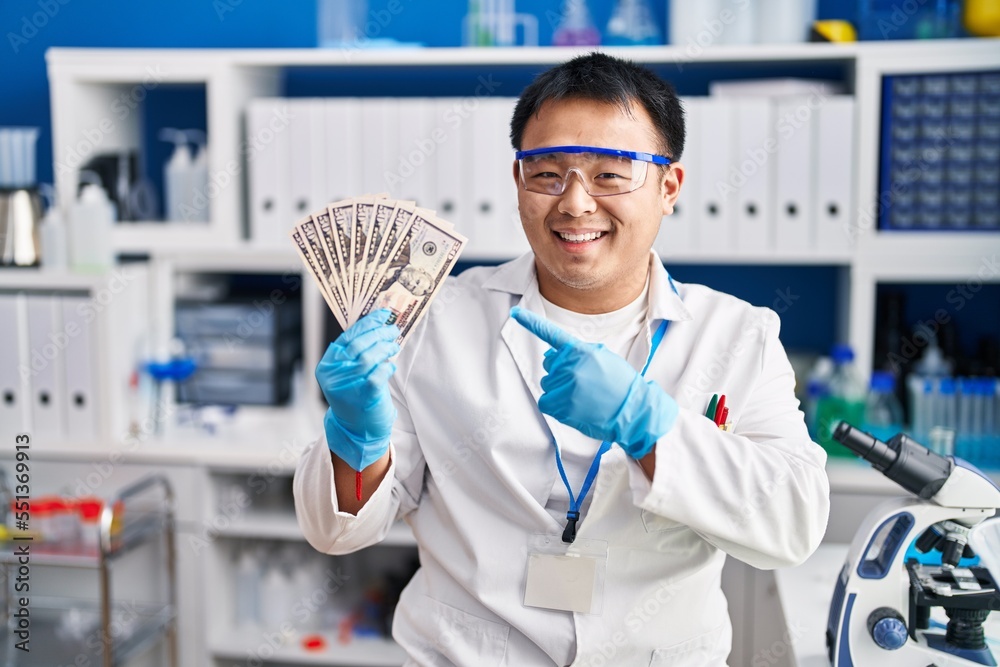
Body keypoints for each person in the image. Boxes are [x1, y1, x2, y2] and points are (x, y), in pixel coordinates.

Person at [294, 52, 830, 666]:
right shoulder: (432, 323)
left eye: (611, 174)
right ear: (519, 182)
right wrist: (355, 434)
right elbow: (337, 532)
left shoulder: (737, 336)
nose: (575, 203)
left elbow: (792, 526)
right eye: (547, 172)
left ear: (669, 188)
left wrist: (647, 425)